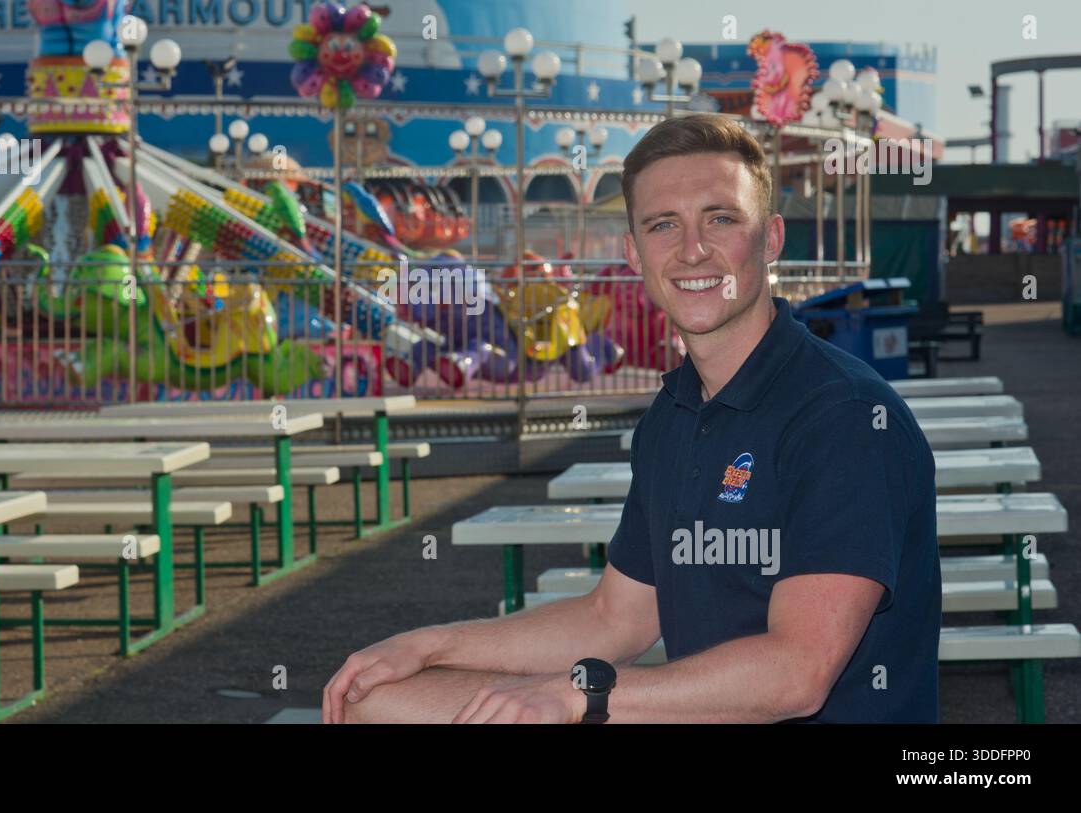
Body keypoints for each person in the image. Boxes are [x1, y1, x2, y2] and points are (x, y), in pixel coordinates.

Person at [323, 114, 940, 723]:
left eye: (721, 219)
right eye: (663, 225)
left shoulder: (845, 415)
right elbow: (613, 620)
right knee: (373, 696)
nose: (692, 249)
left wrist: (577, 696)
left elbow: (797, 674)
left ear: (771, 238)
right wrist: (431, 645)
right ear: (633, 251)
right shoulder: (675, 412)